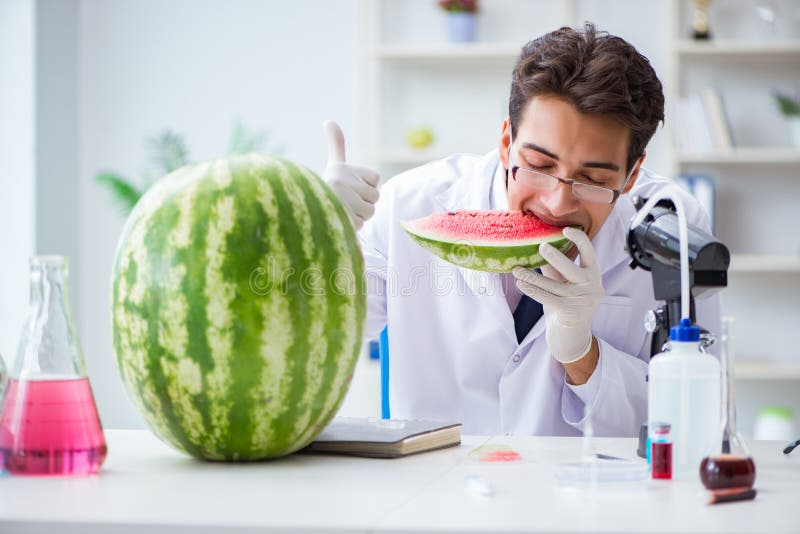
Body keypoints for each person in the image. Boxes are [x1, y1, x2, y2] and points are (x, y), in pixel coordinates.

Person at [322, 23, 720, 437]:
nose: (557, 203)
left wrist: (584, 355)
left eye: (594, 179)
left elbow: (692, 424)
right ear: (506, 142)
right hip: (435, 491)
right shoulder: (408, 204)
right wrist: (316, 231)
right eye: (540, 166)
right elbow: (312, 349)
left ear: (633, 174)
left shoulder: (674, 228)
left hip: (590, 495)